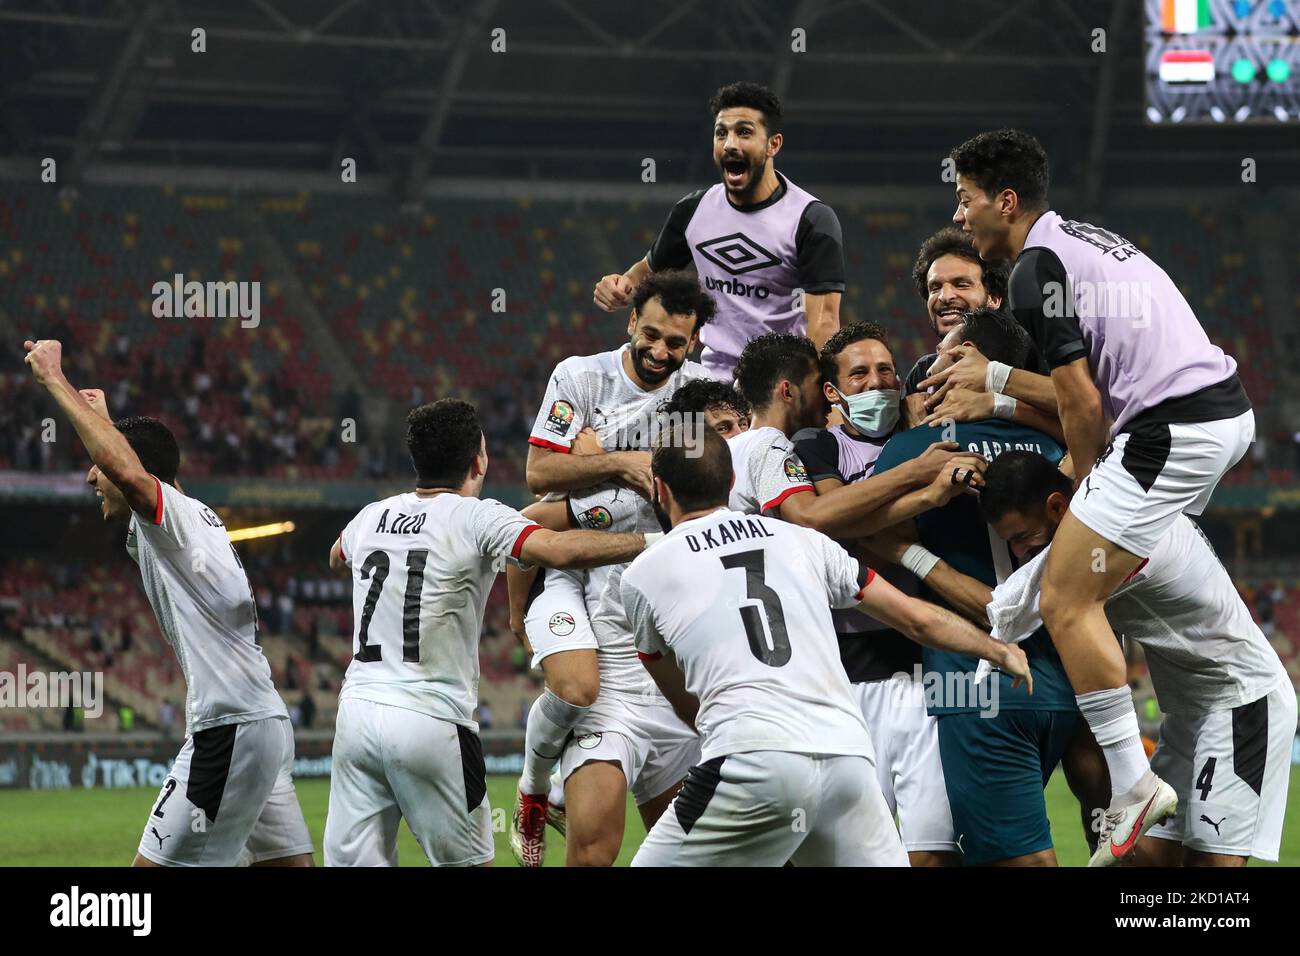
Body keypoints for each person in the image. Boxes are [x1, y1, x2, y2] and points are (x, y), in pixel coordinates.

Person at [950, 128, 1255, 863]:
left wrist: (1082, 491)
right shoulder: (1082, 240)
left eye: (965, 201)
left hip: (1171, 428)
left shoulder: (1033, 269)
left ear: (1006, 200)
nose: (961, 218)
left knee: (1066, 597)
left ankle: (1132, 782)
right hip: (1209, 417)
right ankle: (1006, 615)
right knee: (1054, 587)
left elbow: (1081, 405)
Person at [621, 427, 1032, 865]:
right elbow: (916, 618)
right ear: (731, 482)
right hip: (846, 762)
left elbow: (687, 703)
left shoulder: (643, 576)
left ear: (659, 489)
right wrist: (998, 648)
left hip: (751, 760)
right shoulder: (805, 542)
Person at [23, 338, 314, 868]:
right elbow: (136, 471)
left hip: (228, 730)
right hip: (260, 725)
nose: (92, 475)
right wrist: (105, 421)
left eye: (98, 464)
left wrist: (52, 381)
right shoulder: (190, 520)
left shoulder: (172, 517)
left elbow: (132, 475)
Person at [323, 399, 653, 867]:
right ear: (480, 460)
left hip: (355, 715)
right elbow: (555, 551)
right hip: (431, 717)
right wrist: (652, 539)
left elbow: (337, 555)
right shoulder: (477, 516)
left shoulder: (370, 516)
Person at [972, 451, 1293, 867]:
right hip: (1187, 713)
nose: (1018, 551)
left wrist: (909, 555)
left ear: (1056, 505)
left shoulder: (1117, 539)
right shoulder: (1105, 514)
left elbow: (1007, 610)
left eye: (1021, 536)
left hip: (1242, 702)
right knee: (1144, 861)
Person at [870, 310, 1107, 866]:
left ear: (966, 357)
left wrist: (903, 544)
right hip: (1067, 678)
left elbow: (843, 521)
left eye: (942, 357)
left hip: (977, 688)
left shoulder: (919, 449)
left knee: (1016, 860)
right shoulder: (1057, 445)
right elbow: (1097, 424)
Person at [508, 271, 714, 867]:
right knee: (594, 850)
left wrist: (595, 456)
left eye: (676, 343)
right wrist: (625, 464)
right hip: (587, 592)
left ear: (694, 342)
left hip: (667, 638)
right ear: (630, 322)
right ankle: (532, 788)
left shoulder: (700, 391)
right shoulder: (581, 376)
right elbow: (539, 476)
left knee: (684, 853)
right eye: (650, 335)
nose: (660, 352)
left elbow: (717, 477)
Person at [593, 81, 844, 379]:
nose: (730, 144)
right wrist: (620, 287)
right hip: (714, 381)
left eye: (744, 132)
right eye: (721, 133)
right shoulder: (693, 211)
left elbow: (824, 324)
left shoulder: (811, 220)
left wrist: (818, 394)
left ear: (773, 144)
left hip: (781, 385)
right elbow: (647, 272)